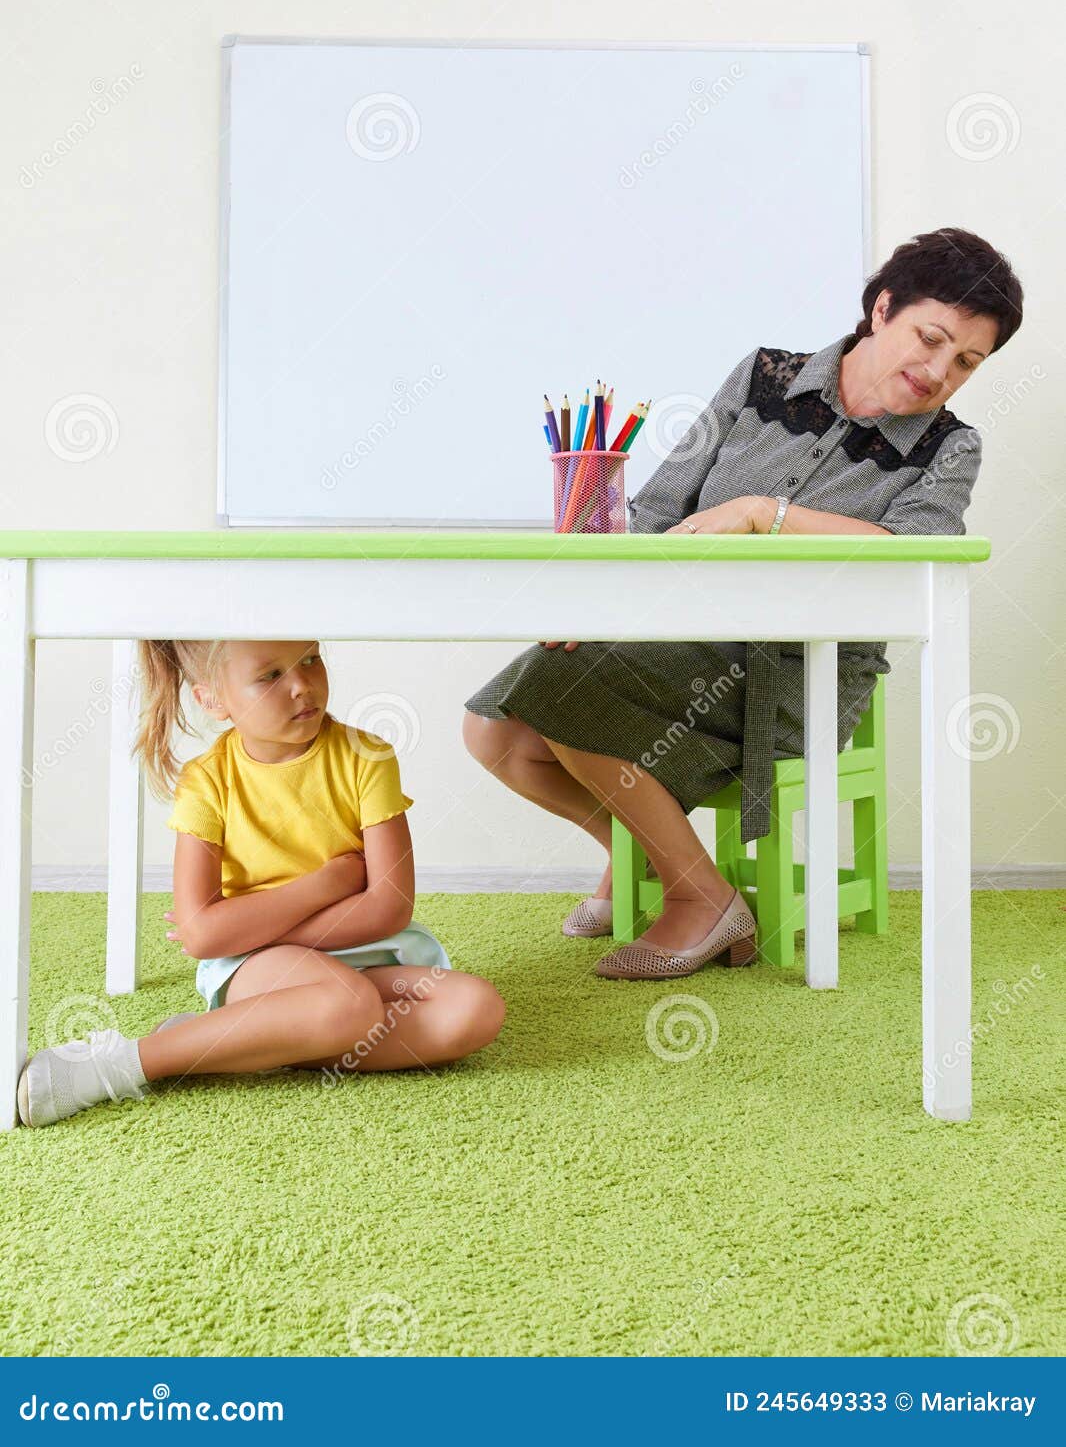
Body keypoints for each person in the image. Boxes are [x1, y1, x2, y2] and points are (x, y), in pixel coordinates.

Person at [462, 226, 1024, 980]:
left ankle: (704, 902)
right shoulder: (763, 376)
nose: (938, 371)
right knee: (493, 729)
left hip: (800, 674)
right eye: (930, 338)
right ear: (882, 307)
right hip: (676, 637)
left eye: (966, 362)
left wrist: (769, 512)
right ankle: (659, 860)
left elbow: (910, 552)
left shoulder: (951, 447)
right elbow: (660, 507)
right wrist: (598, 604)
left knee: (561, 691)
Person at [18, 639, 504, 1126]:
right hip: (259, 965)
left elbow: (390, 909)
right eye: (270, 676)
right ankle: (127, 1062)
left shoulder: (367, 756)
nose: (301, 685)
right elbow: (205, 940)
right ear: (212, 699)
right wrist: (328, 883)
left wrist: (246, 922)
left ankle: (231, 1042)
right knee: (351, 1006)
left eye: (311, 659)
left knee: (475, 1008)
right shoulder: (206, 781)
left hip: (364, 952)